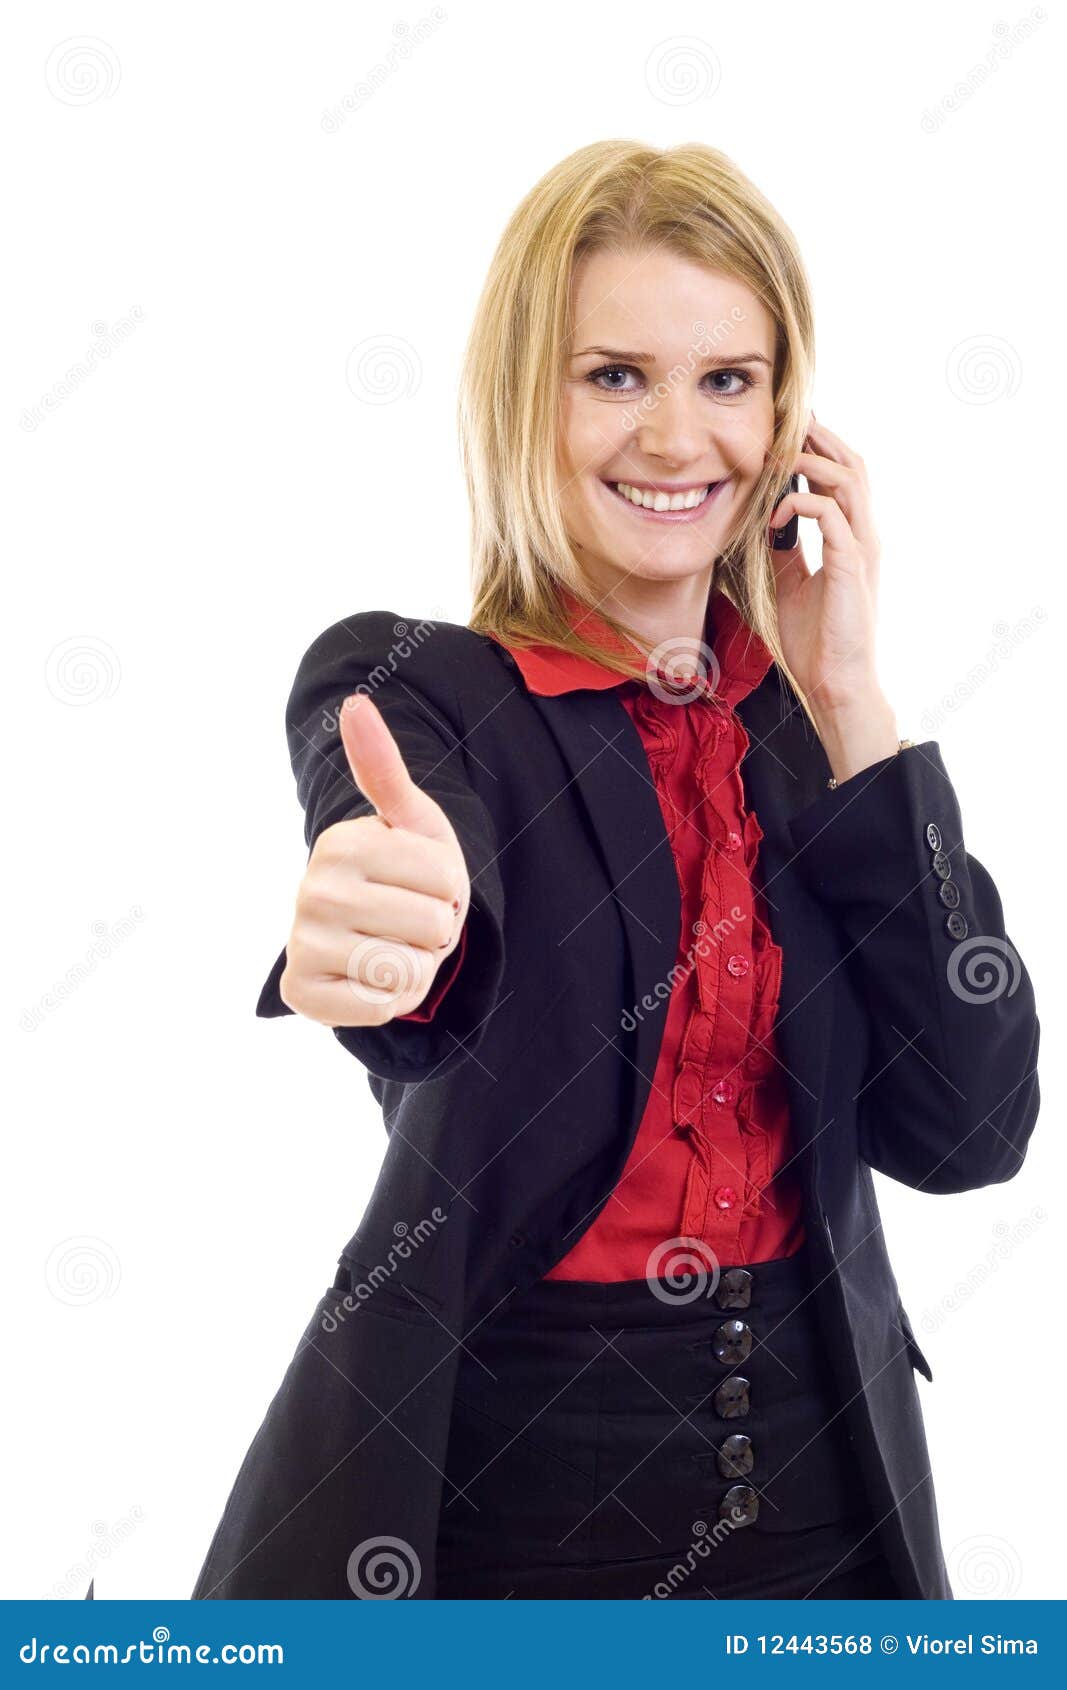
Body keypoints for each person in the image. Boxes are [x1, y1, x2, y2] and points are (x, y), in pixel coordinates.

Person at [192, 140, 1041, 1602]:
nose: (675, 439)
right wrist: (392, 932)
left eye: (727, 380)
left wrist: (855, 704)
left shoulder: (808, 737)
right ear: (529, 395)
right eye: (614, 376)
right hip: (514, 1501)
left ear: (786, 414)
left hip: (827, 1492)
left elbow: (972, 1126)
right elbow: (412, 913)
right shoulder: (422, 691)